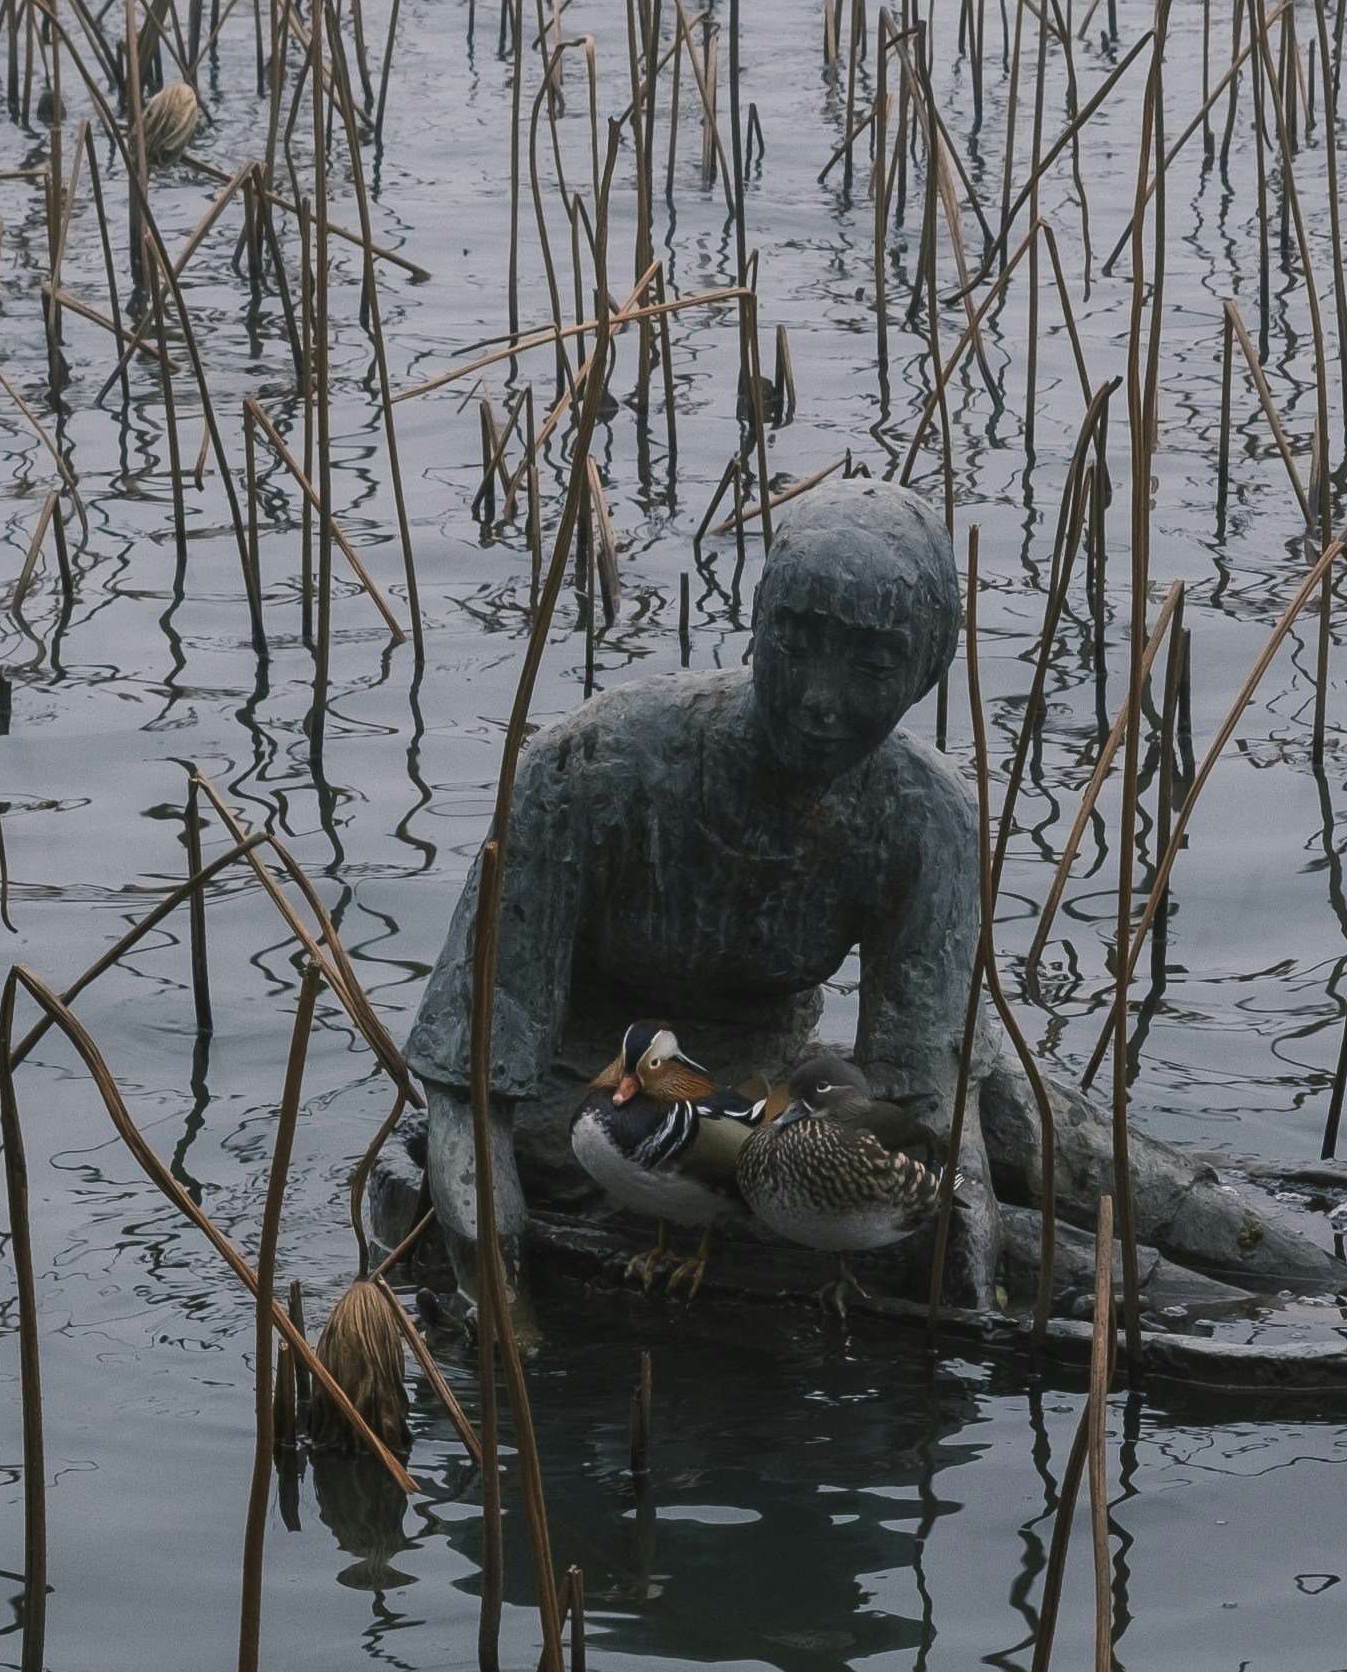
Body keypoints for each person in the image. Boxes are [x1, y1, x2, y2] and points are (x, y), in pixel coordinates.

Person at [404, 476, 1002, 1317]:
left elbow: (924, 1099)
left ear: (927, 671)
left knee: (1038, 1131)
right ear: (755, 627)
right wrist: (498, 1294)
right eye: (794, 646)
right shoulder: (592, 765)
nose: (821, 701)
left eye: (870, 666)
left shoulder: (925, 814)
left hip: (773, 1094)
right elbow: (471, 1080)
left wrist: (961, 1290)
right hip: (593, 1100)